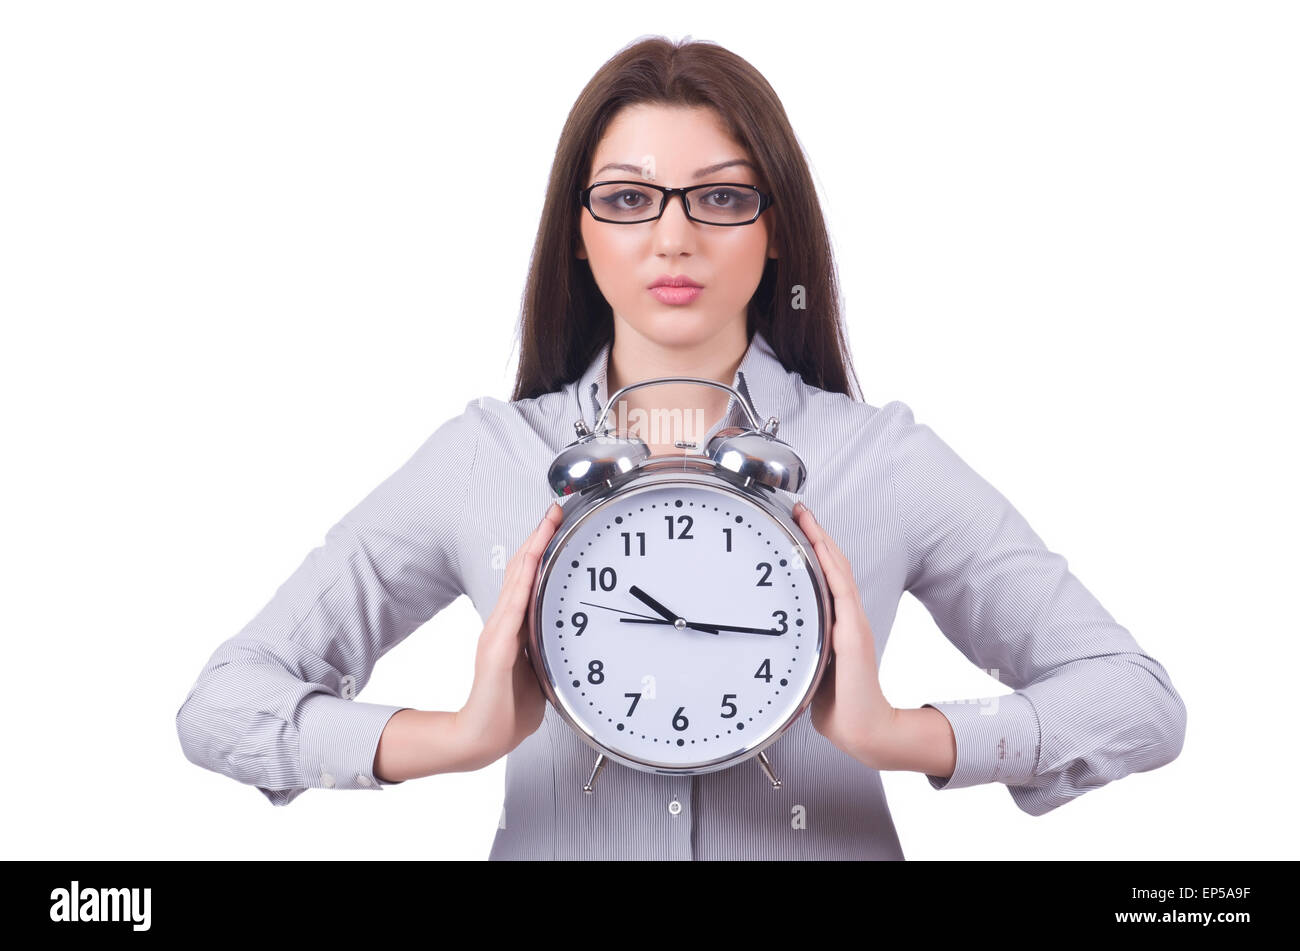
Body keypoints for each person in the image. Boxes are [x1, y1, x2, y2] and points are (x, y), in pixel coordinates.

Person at [175, 36, 1186, 860]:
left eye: (720, 196)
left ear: (773, 225)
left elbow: (1136, 701)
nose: (672, 240)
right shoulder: (483, 457)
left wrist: (902, 734)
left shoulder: (883, 460)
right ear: (577, 232)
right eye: (626, 198)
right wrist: (449, 739)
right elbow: (223, 705)